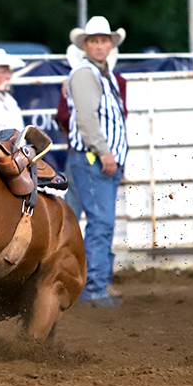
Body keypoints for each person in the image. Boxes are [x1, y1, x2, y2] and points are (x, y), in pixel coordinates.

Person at [65, 16, 128, 308]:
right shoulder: (87, 74)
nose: (100, 45)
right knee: (100, 224)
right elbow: (87, 118)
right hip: (94, 161)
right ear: (86, 45)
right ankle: (94, 288)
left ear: (109, 45)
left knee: (73, 223)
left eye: (104, 40)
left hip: (91, 161)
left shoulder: (100, 74)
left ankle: (82, 285)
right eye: (95, 41)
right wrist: (104, 151)